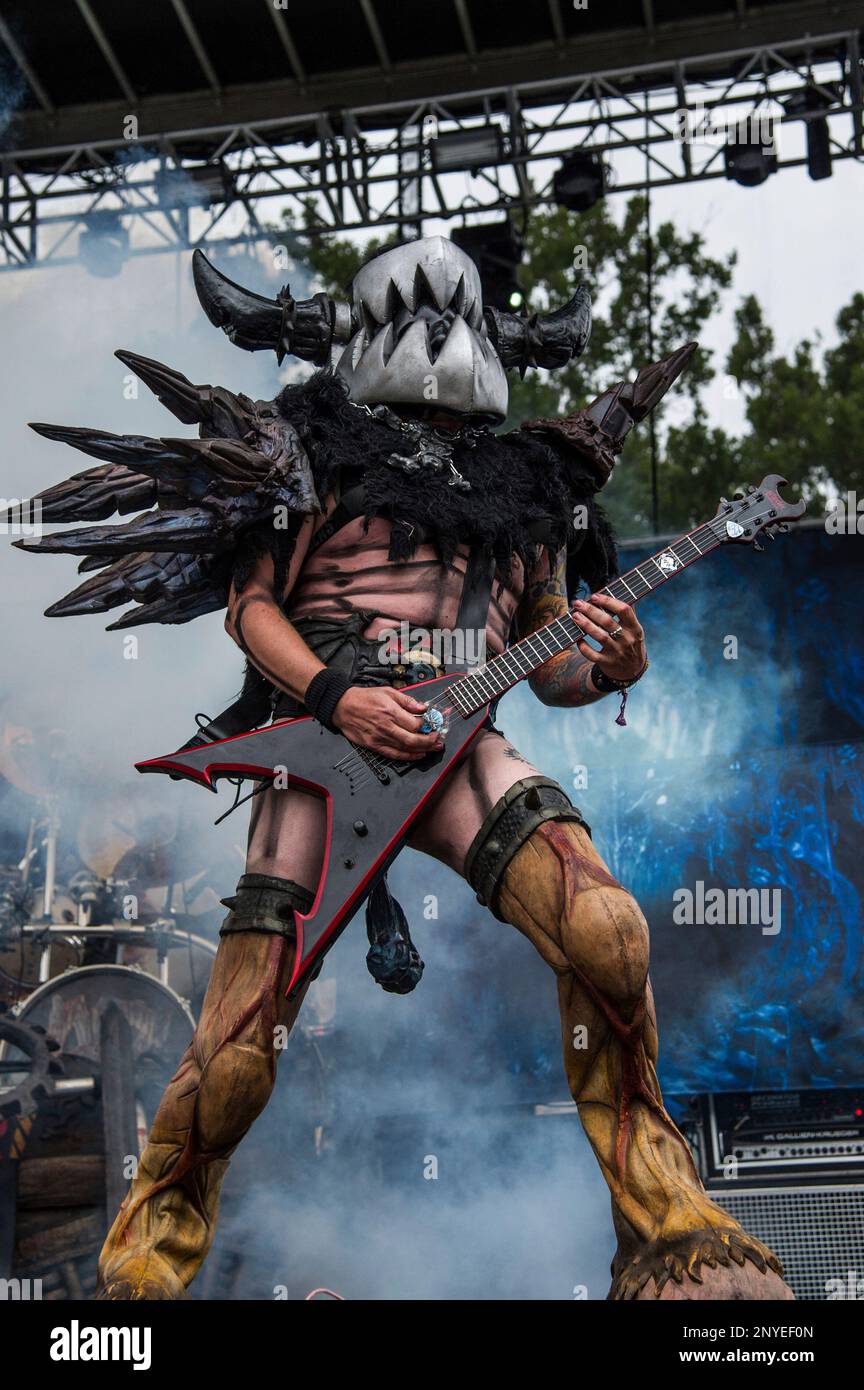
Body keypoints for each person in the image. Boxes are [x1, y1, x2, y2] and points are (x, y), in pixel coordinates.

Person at [11, 237, 792, 1301]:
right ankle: (143, 1277)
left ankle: (669, 1226)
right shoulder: (308, 452)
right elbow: (252, 609)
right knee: (237, 1049)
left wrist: (615, 665)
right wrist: (337, 697)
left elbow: (553, 666)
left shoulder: (532, 488)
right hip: (325, 752)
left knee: (608, 931)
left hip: (464, 742)